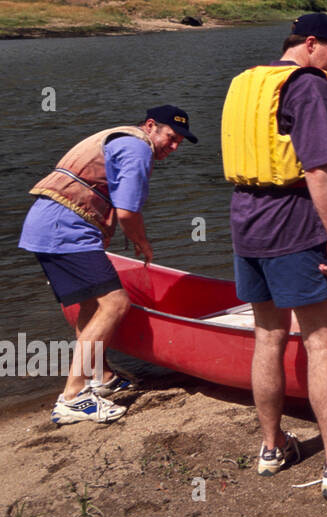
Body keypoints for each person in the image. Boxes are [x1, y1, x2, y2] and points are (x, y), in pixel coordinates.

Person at [222, 13, 327, 501]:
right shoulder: (308, 85)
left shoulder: (248, 80)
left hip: (245, 221)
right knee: (320, 342)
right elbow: (316, 169)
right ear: (310, 44)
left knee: (268, 337)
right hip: (292, 222)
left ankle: (272, 449)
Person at [19, 105, 196, 425]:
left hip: (47, 224)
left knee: (91, 305)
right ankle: (73, 397)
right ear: (151, 126)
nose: (173, 147)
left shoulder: (122, 138)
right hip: (65, 229)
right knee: (115, 303)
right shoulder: (138, 146)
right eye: (171, 138)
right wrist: (142, 243)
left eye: (179, 143)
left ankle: (99, 376)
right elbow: (128, 212)